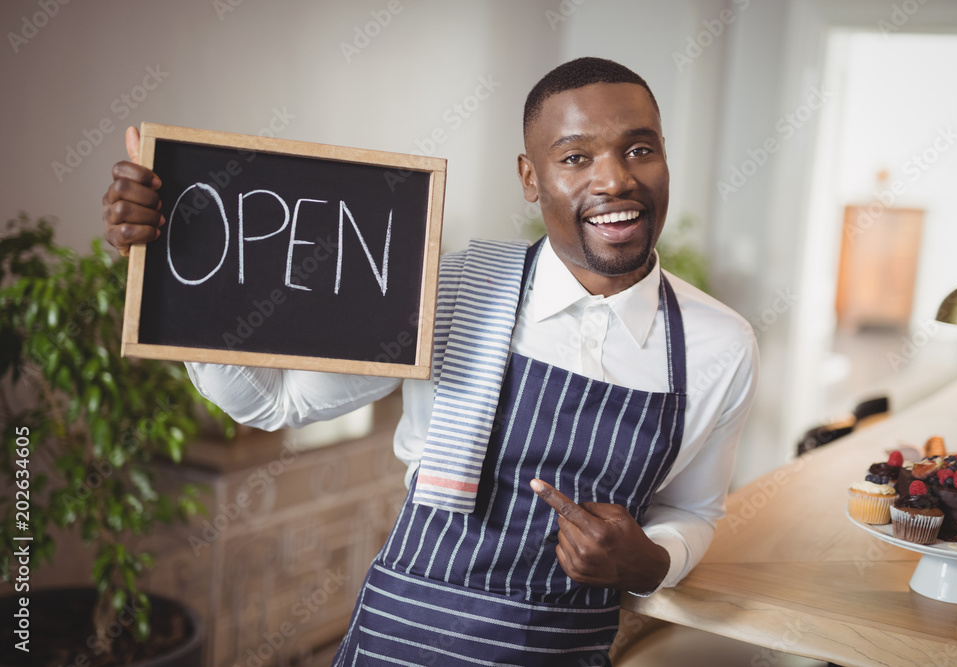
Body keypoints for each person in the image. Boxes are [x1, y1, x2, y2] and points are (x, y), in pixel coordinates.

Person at [104, 57, 757, 666]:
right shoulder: (446, 291)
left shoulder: (719, 345)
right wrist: (172, 264)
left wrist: (649, 561)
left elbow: (693, 511)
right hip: (400, 638)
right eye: (576, 156)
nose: (614, 178)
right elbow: (277, 401)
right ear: (531, 178)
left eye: (639, 148)